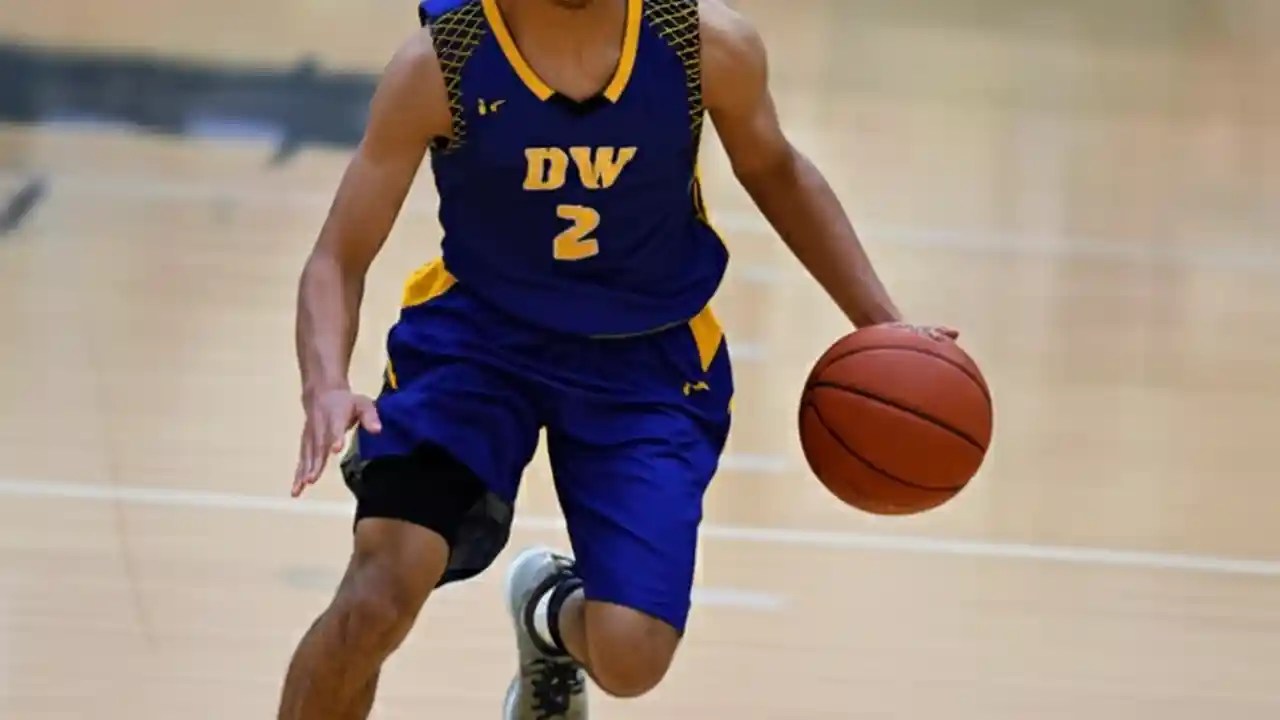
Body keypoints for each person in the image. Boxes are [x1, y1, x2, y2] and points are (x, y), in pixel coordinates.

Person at [278, 0, 954, 718]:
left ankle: (548, 611)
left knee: (631, 658)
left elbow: (777, 171)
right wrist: (325, 382)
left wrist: (886, 328)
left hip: (649, 360)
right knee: (377, 597)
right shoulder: (442, 63)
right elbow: (336, 258)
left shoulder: (701, 46)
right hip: (479, 347)